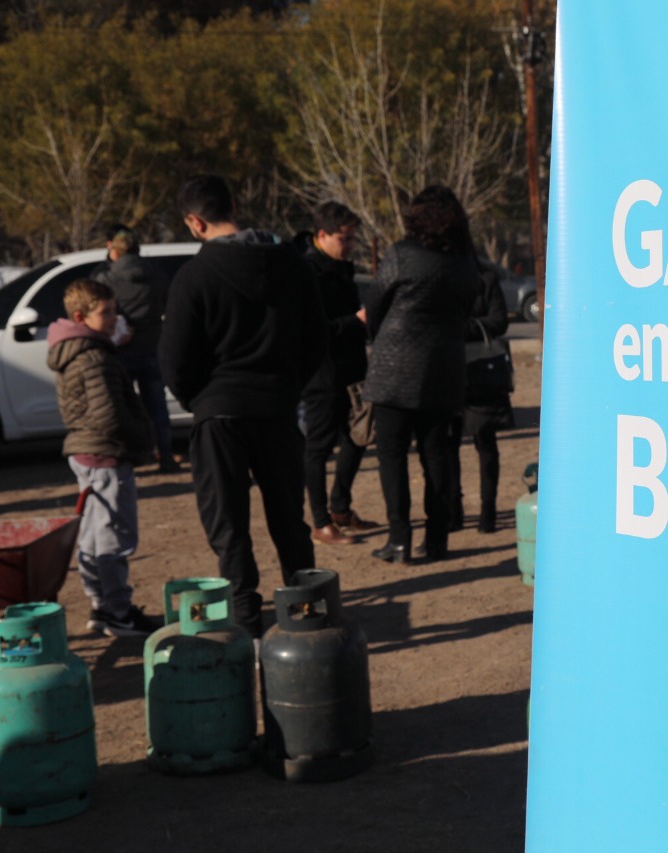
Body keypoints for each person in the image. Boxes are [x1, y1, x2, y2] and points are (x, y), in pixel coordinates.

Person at [159, 174, 325, 638]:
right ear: (235, 204)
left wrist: (205, 400)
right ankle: (307, 615)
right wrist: (285, 387)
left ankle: (247, 627)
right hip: (277, 410)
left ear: (194, 222)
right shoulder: (294, 265)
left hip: (220, 417)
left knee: (229, 528)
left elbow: (173, 362)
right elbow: (316, 340)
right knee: (290, 521)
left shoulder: (193, 277)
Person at [362, 185, 477, 563]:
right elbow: (467, 311)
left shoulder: (400, 255)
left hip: (395, 371)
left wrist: (384, 340)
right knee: (437, 457)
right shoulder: (464, 262)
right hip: (443, 370)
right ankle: (437, 538)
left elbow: (376, 305)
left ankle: (399, 540)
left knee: (392, 457)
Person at [46, 279, 159, 637]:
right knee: (112, 536)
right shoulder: (94, 356)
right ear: (81, 316)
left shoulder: (79, 349)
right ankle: (119, 612)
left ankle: (102, 606)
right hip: (105, 455)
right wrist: (141, 438)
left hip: (88, 451)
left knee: (94, 536)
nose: (114, 318)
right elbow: (109, 415)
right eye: (106, 312)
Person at [298, 202, 380, 545]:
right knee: (318, 448)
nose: (349, 246)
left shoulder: (342, 267)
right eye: (343, 239)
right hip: (321, 375)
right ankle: (320, 522)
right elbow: (309, 329)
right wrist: (355, 322)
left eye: (352, 239)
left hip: (352, 371)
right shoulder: (306, 273)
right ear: (322, 235)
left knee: (357, 437)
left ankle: (340, 508)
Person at [94, 225, 178, 472]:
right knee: (157, 407)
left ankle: (129, 457)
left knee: (121, 407)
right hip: (153, 346)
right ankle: (166, 455)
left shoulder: (106, 277)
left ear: (115, 252)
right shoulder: (157, 274)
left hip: (121, 348)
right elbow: (167, 305)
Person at [446, 259, 514, 533]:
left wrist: (458, 328)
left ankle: (489, 512)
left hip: (482, 373)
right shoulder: (437, 275)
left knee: (485, 444)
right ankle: (453, 512)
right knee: (448, 446)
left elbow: (499, 322)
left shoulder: (485, 278)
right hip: (447, 372)